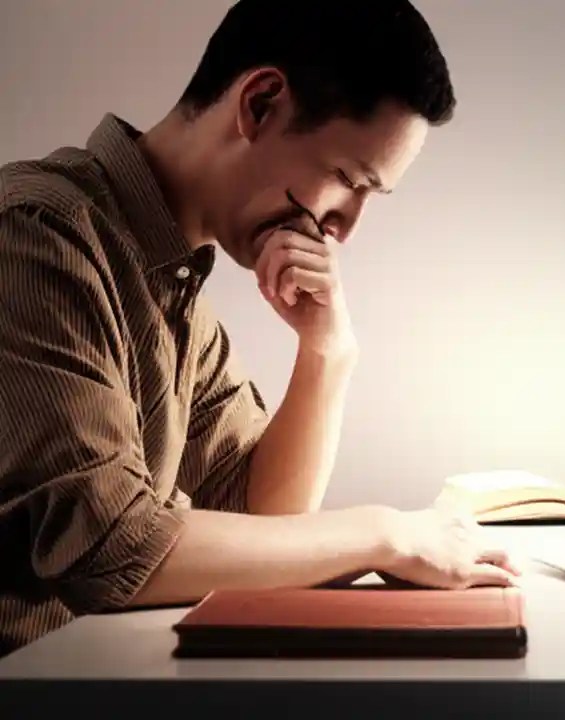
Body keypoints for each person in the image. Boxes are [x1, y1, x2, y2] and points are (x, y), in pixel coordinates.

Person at [0, 0, 517, 656]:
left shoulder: (169, 278)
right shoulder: (38, 235)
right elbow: (112, 549)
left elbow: (263, 524)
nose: (343, 229)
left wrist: (328, 352)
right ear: (261, 102)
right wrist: (389, 533)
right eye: (345, 180)